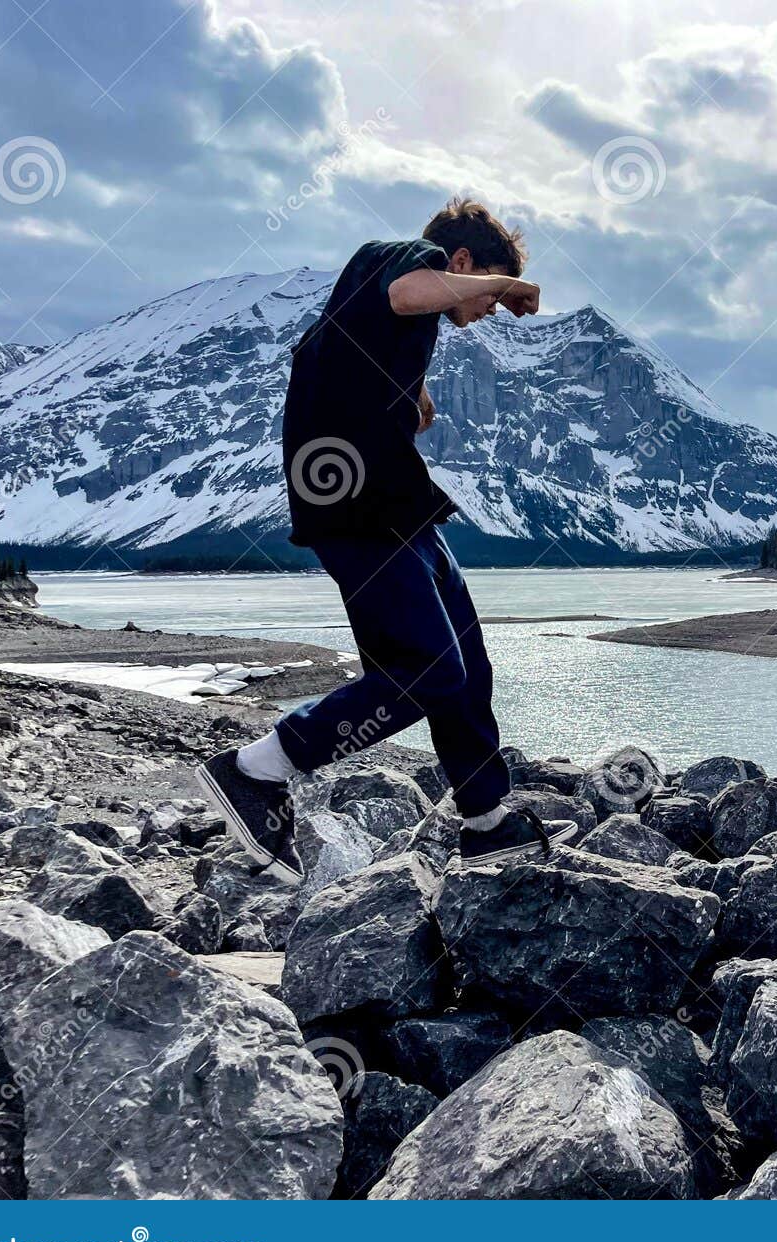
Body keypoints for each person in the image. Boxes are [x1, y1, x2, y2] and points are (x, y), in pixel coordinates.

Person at [199, 197, 575, 874]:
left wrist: (414, 396)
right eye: (482, 288)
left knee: (464, 660)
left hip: (397, 503)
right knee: (426, 671)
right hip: (356, 507)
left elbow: (372, 338)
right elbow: (409, 292)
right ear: (461, 261)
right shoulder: (402, 259)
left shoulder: (395, 321)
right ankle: (256, 770)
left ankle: (487, 820)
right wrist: (503, 283)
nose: (486, 311)